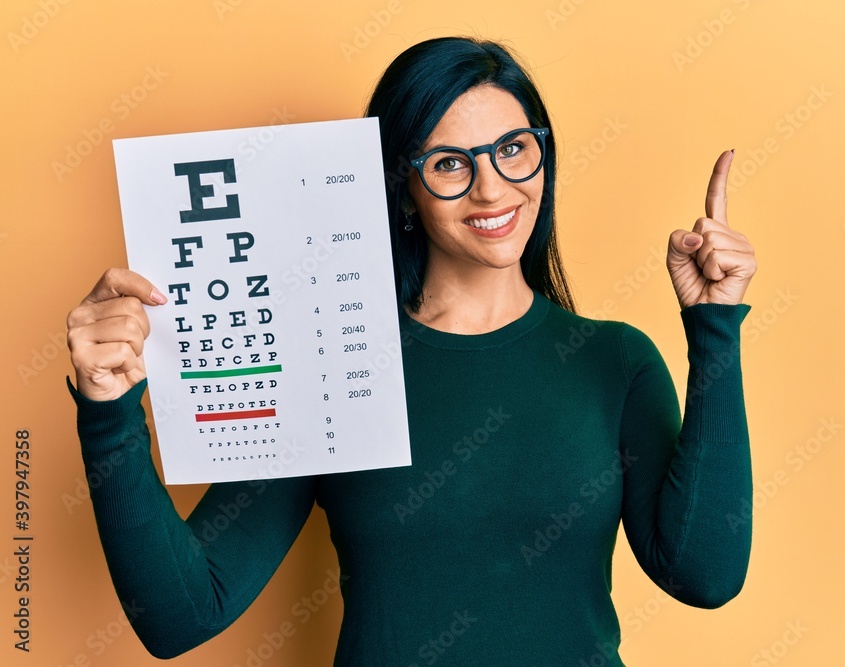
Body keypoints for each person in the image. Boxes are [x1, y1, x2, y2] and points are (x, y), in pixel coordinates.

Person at [66, 37, 756, 665]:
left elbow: (705, 575)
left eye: (513, 148)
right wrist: (109, 415)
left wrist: (715, 327)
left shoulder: (614, 362)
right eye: (450, 163)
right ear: (401, 188)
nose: (492, 187)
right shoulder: (332, 362)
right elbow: (181, 615)